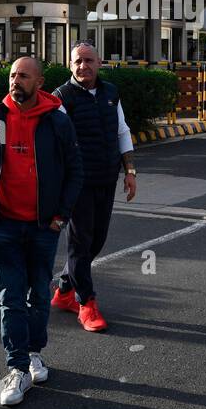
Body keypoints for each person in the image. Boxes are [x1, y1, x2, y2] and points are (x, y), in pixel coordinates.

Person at [0, 55, 83, 407]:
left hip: (42, 227)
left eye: (23, 75)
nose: (15, 81)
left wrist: (60, 217)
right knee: (11, 297)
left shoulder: (56, 121)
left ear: (39, 82)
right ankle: (17, 367)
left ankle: (34, 353)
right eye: (11, 75)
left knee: (39, 294)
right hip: (2, 226)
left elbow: (75, 172)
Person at [51, 41, 136, 332]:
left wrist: (130, 171)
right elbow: (54, 144)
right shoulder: (60, 97)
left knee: (96, 240)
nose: (83, 66)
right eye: (77, 61)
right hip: (77, 184)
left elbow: (122, 131)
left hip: (106, 178)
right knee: (80, 242)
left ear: (99, 63)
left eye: (88, 60)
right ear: (69, 65)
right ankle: (86, 303)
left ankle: (63, 290)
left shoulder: (111, 93)